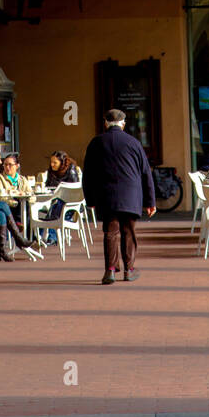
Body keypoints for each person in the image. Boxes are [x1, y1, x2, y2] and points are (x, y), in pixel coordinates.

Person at [82, 108, 156, 285]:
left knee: (111, 232)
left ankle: (110, 270)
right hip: (131, 195)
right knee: (128, 231)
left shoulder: (96, 143)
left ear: (105, 123)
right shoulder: (134, 143)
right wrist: (150, 201)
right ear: (123, 124)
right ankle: (129, 270)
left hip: (106, 196)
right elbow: (146, 173)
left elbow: (88, 174)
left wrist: (90, 199)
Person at [39, 151, 81, 246]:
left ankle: (52, 237)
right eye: (51, 162)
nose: (52, 164)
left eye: (55, 162)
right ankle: (38, 236)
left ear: (62, 162)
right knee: (52, 210)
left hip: (70, 204)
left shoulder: (71, 170)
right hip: (55, 202)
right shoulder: (51, 171)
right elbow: (48, 186)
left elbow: (75, 190)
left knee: (55, 210)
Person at [0, 153, 35, 232]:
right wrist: (14, 202)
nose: (7, 167)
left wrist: (27, 198)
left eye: (10, 165)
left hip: (22, 207)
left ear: (17, 166)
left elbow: (32, 195)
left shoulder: (22, 179)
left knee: (26, 205)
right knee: (22, 206)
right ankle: (27, 234)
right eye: (5, 165)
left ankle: (22, 229)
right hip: (7, 208)